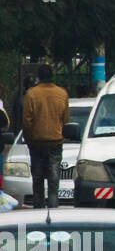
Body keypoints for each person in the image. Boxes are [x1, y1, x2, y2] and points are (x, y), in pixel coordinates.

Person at [22, 64, 69, 210]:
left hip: (36, 143)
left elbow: (27, 121)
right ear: (52, 76)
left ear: (39, 77)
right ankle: (53, 212)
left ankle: (38, 212)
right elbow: (66, 119)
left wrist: (29, 139)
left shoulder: (31, 94)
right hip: (55, 143)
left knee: (37, 181)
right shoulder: (62, 94)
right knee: (54, 182)